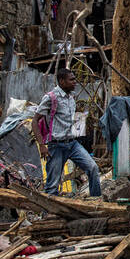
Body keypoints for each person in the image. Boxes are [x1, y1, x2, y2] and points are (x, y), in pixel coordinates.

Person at [28, 67, 102, 197]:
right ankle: (49, 213)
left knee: (93, 168)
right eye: (71, 80)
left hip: (72, 144)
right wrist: (41, 145)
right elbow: (35, 122)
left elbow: (74, 124)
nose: (75, 82)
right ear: (62, 81)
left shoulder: (71, 98)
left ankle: (96, 202)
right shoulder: (51, 98)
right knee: (52, 185)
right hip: (56, 146)